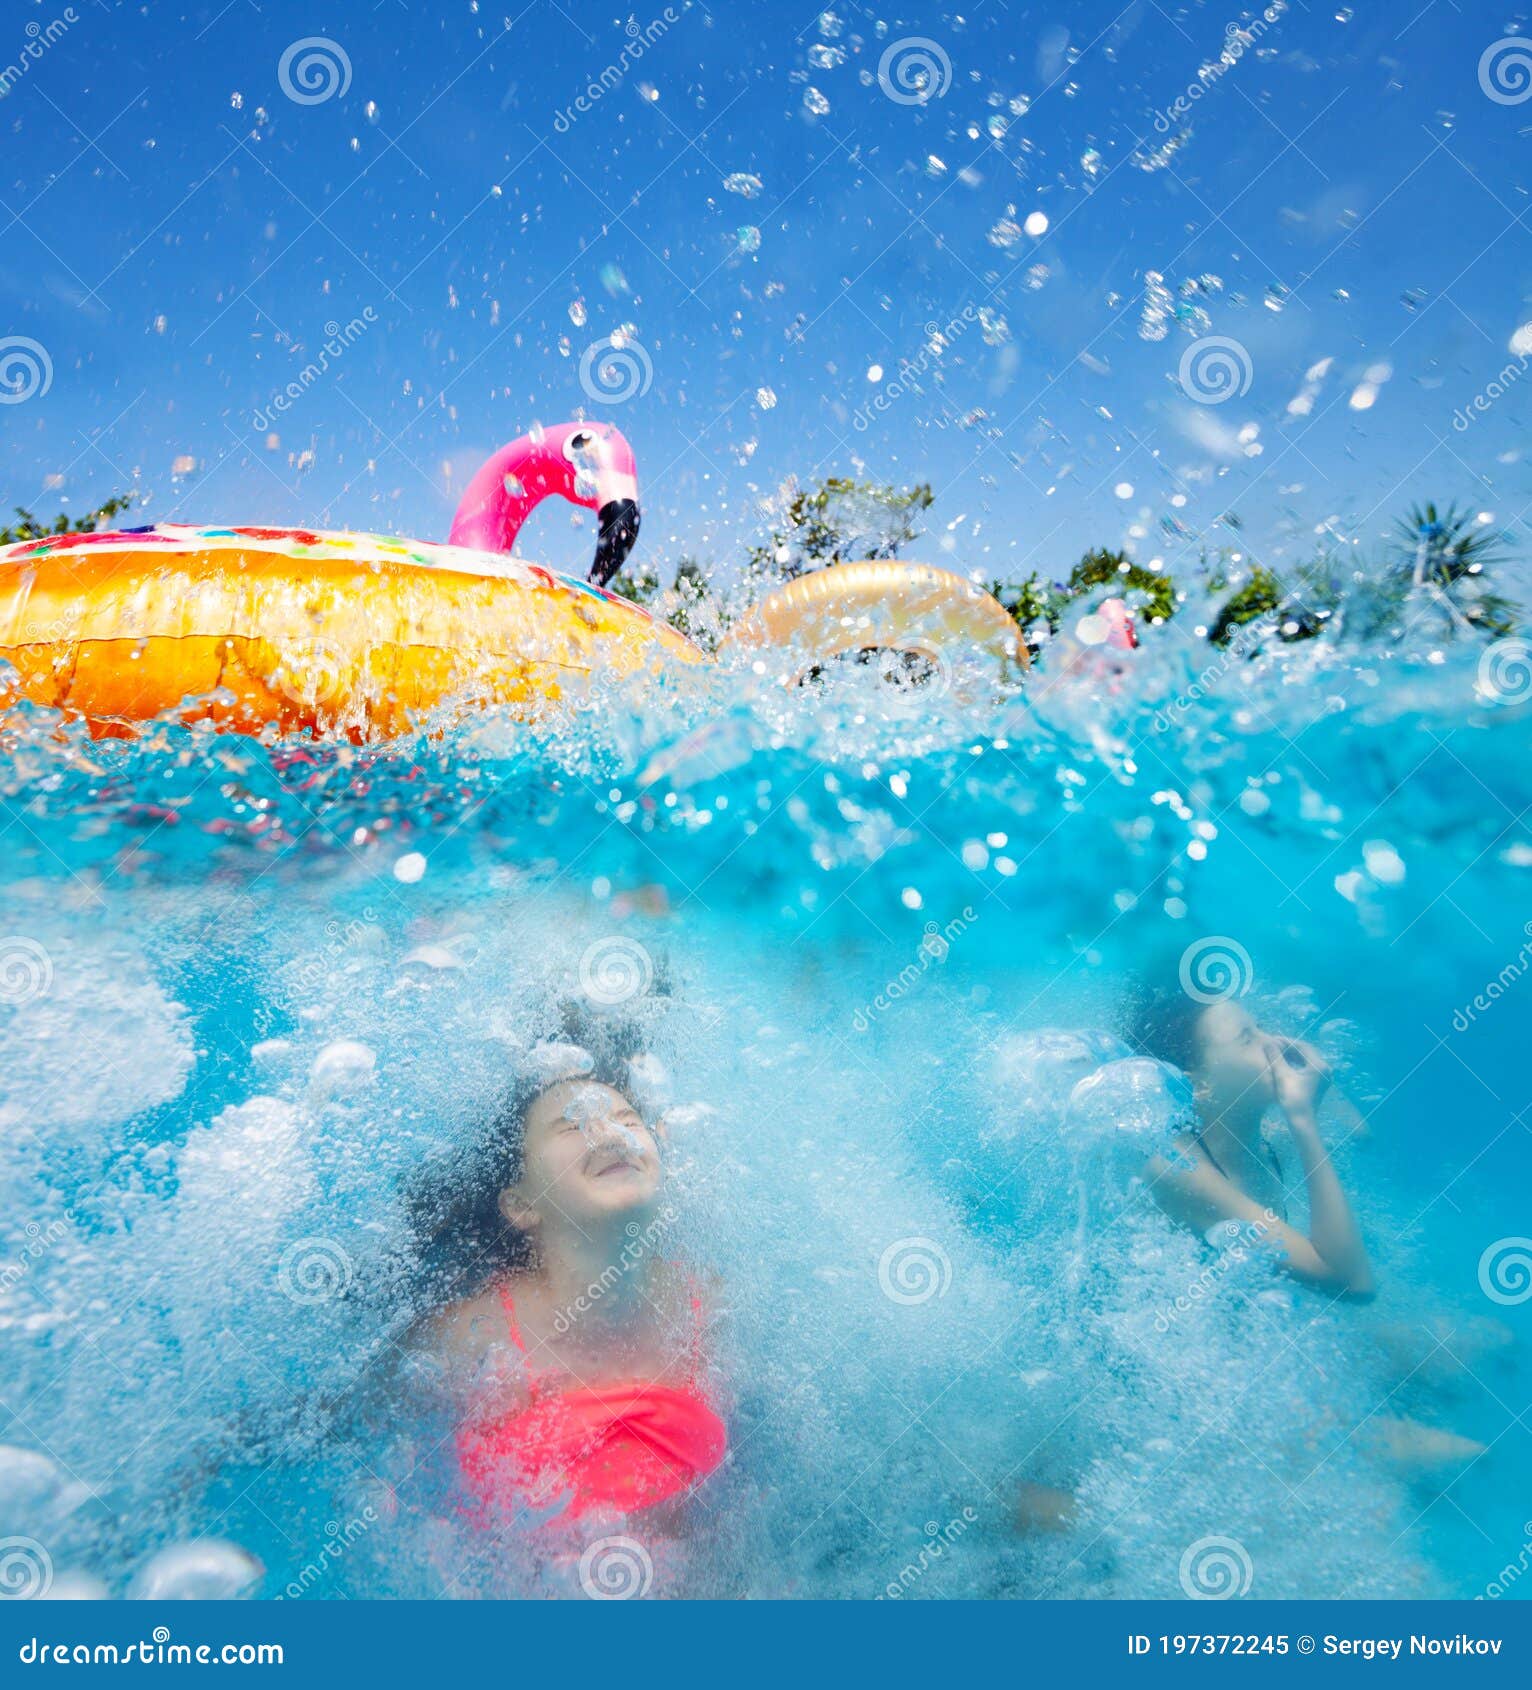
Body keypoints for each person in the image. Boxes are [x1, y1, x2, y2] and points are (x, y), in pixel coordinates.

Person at [411, 1031, 726, 1529]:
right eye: (571, 1127)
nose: (611, 1135)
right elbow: (347, 1421)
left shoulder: (710, 1305)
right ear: (521, 1204)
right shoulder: (472, 1336)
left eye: (627, 1119)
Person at [1129, 992, 1374, 1299]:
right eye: (1247, 1038)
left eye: (1260, 1027)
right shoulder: (1177, 1169)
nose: (1273, 1043)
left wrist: (1312, 1074)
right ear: (1199, 1086)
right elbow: (1352, 1284)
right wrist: (1302, 1118)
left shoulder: (1264, 1139)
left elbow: (1360, 1134)